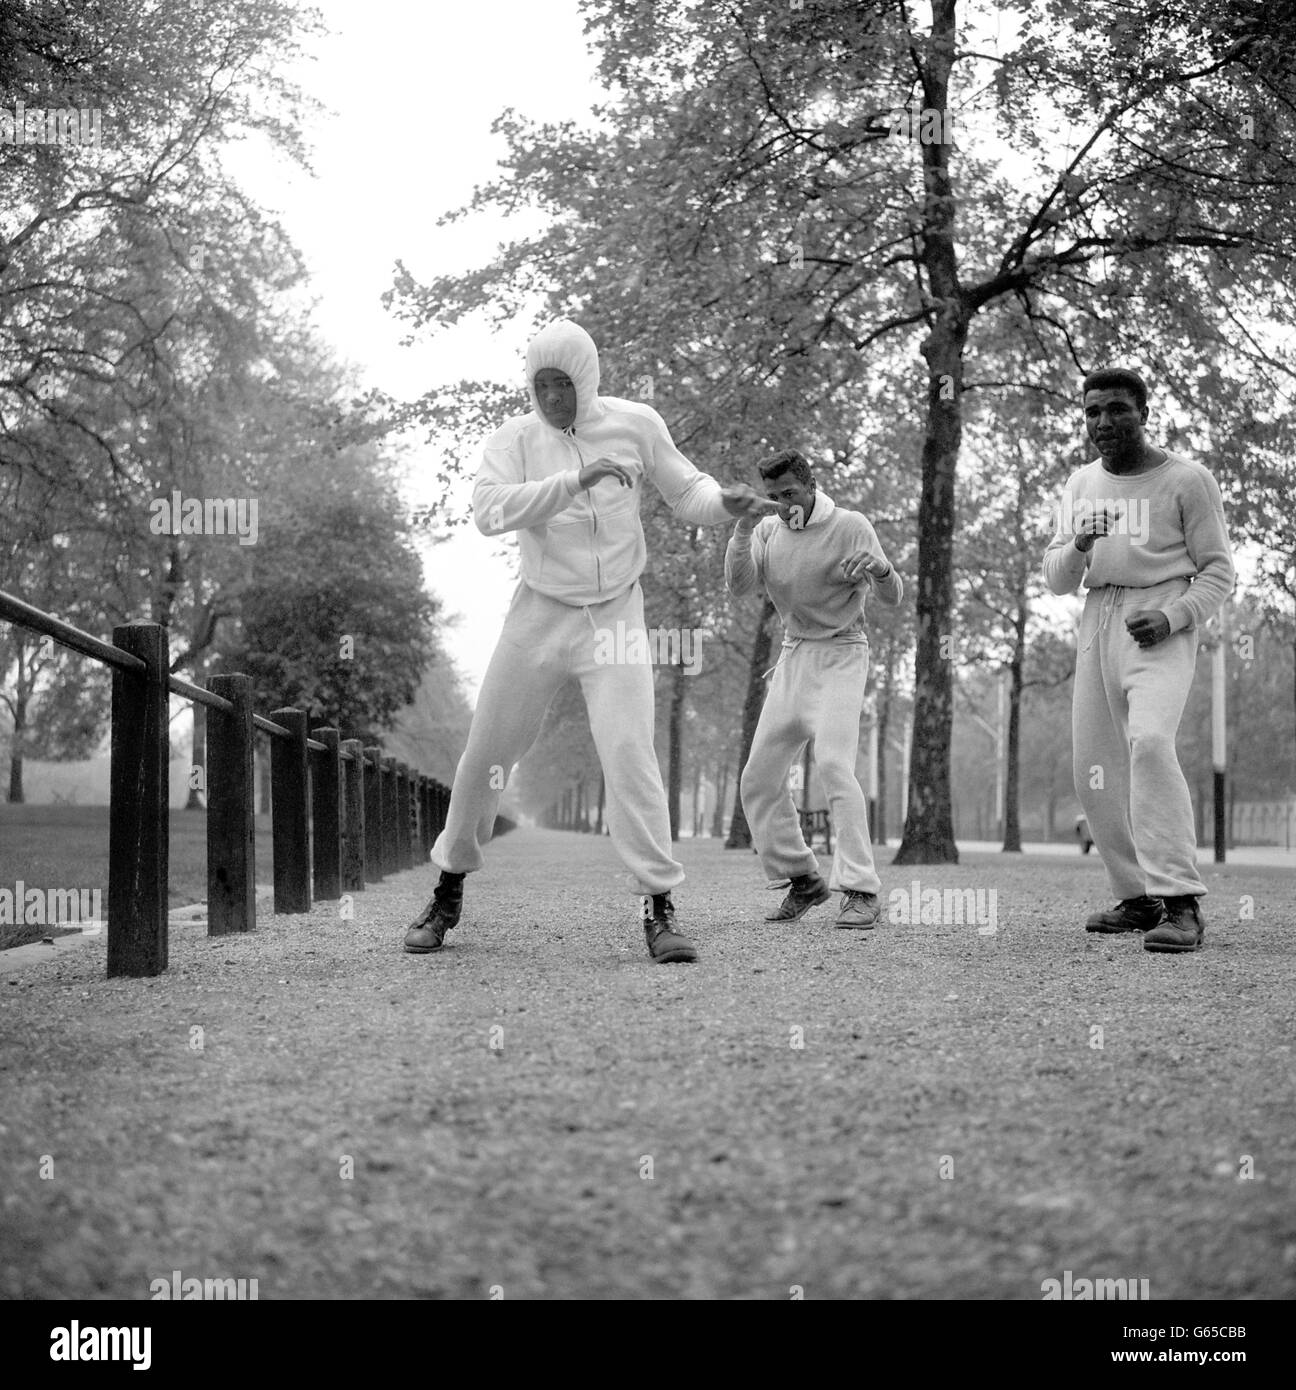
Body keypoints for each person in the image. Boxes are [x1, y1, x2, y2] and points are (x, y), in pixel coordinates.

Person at [404, 318, 773, 964]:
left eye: (562, 385)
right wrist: (573, 483)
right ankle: (448, 886)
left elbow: (687, 488)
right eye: (540, 386)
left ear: (588, 379)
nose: (551, 399)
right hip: (538, 615)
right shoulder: (515, 440)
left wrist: (726, 505)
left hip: (615, 617)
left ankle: (658, 906)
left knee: (631, 751)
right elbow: (489, 511)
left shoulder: (636, 424)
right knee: (486, 752)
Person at [1044, 367, 1234, 952]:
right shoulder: (1080, 484)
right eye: (1093, 411)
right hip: (1098, 620)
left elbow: (1220, 570)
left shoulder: (1187, 480)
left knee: (1149, 743)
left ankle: (1181, 904)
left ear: (1144, 413)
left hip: (1162, 620)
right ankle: (1137, 898)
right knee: (1093, 770)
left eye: (1117, 409)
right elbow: (1055, 579)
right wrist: (1079, 542)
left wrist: (1175, 616)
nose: (1103, 422)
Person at [725, 450, 902, 928]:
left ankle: (861, 890)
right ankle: (803, 879)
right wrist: (742, 528)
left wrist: (881, 571)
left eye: (791, 494)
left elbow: (892, 596)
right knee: (757, 778)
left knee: (833, 764)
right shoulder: (766, 530)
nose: (785, 505)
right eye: (775, 497)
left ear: (811, 486)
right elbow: (739, 586)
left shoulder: (850, 525)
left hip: (844, 652)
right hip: (794, 655)